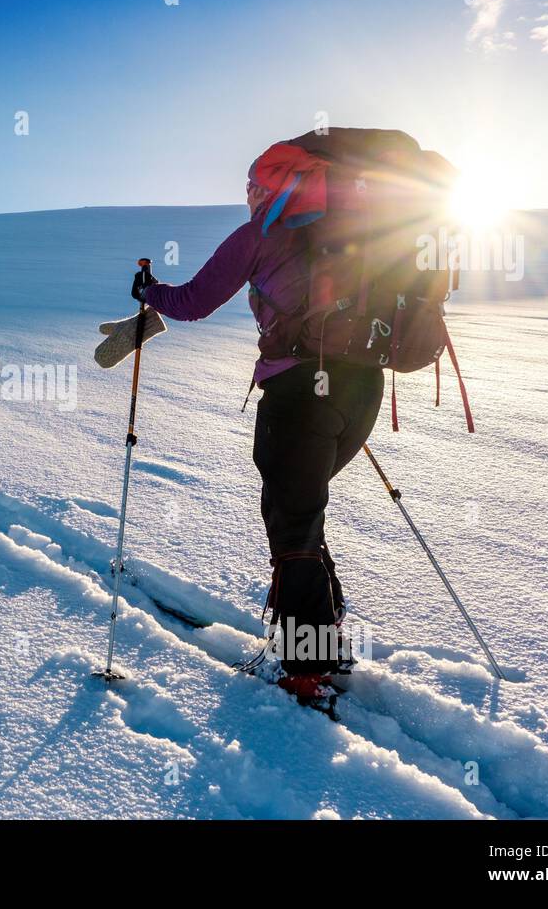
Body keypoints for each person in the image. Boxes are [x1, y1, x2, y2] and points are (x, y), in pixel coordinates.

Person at [131, 160, 383, 693]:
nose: (248, 195)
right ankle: (325, 626)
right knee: (299, 508)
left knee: (291, 520)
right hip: (361, 391)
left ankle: (306, 669)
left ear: (271, 189)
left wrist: (149, 291)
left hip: (299, 395)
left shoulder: (263, 234)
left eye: (252, 187)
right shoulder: (357, 235)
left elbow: (195, 302)